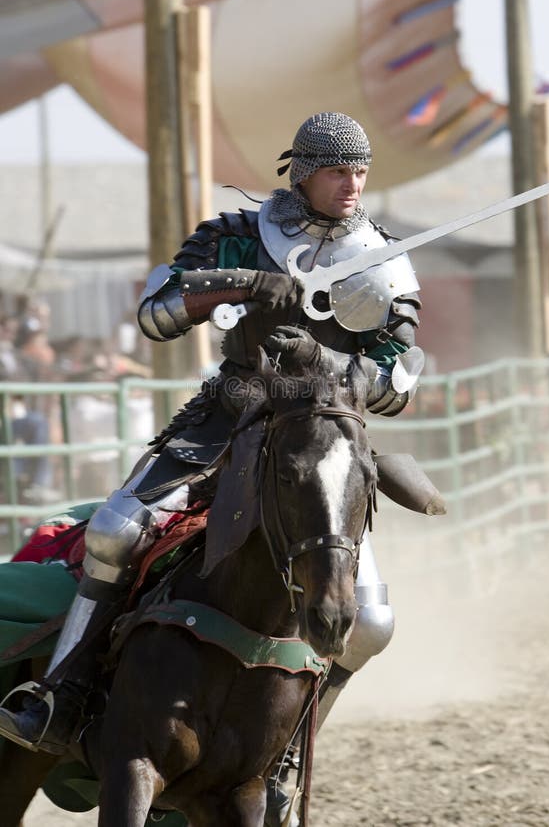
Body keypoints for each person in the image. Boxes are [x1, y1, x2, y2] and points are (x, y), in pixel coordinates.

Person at [0, 112, 427, 818]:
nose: (351, 185)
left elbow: (397, 386)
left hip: (323, 433)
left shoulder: (384, 260)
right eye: (336, 170)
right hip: (229, 414)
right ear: (303, 173)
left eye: (360, 171)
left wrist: (325, 359)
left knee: (372, 624)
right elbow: (157, 313)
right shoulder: (236, 232)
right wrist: (246, 286)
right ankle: (63, 694)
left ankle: (285, 746)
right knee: (114, 528)